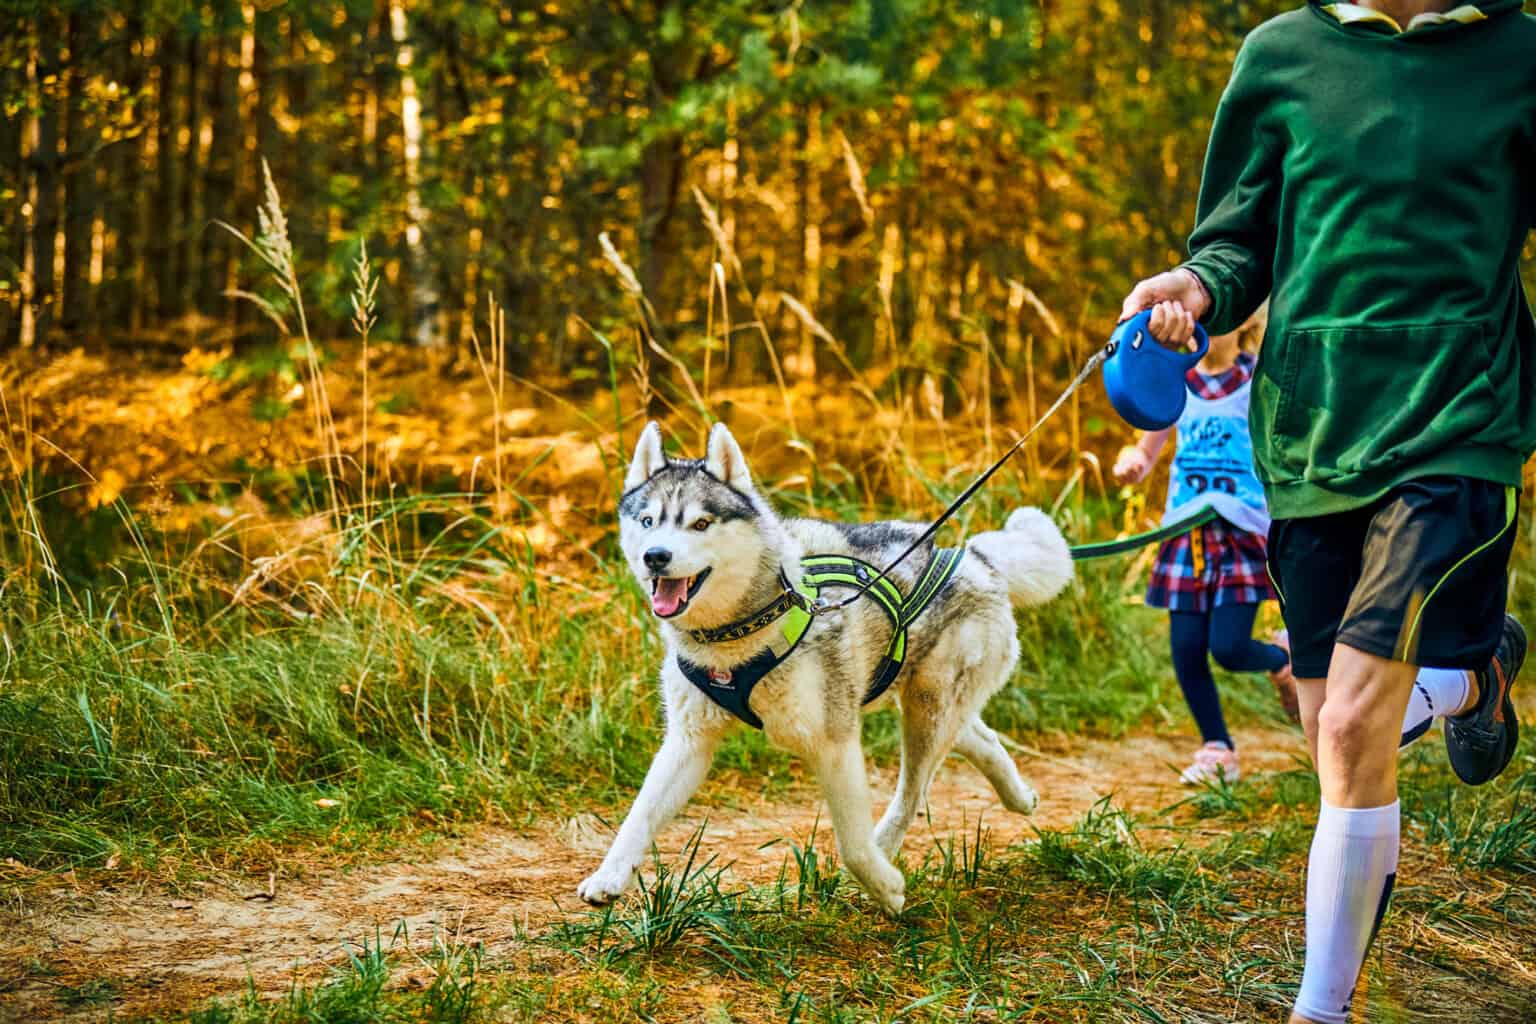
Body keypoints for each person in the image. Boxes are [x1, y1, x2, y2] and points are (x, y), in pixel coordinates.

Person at [1116, 3, 1534, 1022]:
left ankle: (1321, 1009)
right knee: (1330, 729)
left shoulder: (1520, 56)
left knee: (1350, 721)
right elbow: (1236, 242)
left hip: (1455, 420)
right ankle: (1472, 679)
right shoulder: (1282, 56)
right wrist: (1194, 288)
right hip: (1307, 435)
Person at [1113, 312, 1298, 785]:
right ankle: (1217, 748)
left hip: (1239, 531)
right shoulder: (1177, 382)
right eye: (1204, 318)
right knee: (1187, 649)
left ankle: (1283, 659)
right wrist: (1134, 461)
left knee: (1230, 647)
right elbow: (1148, 448)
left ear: (1246, 323)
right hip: (1185, 534)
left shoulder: (1258, 379)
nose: (1212, 327)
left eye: (1225, 318)